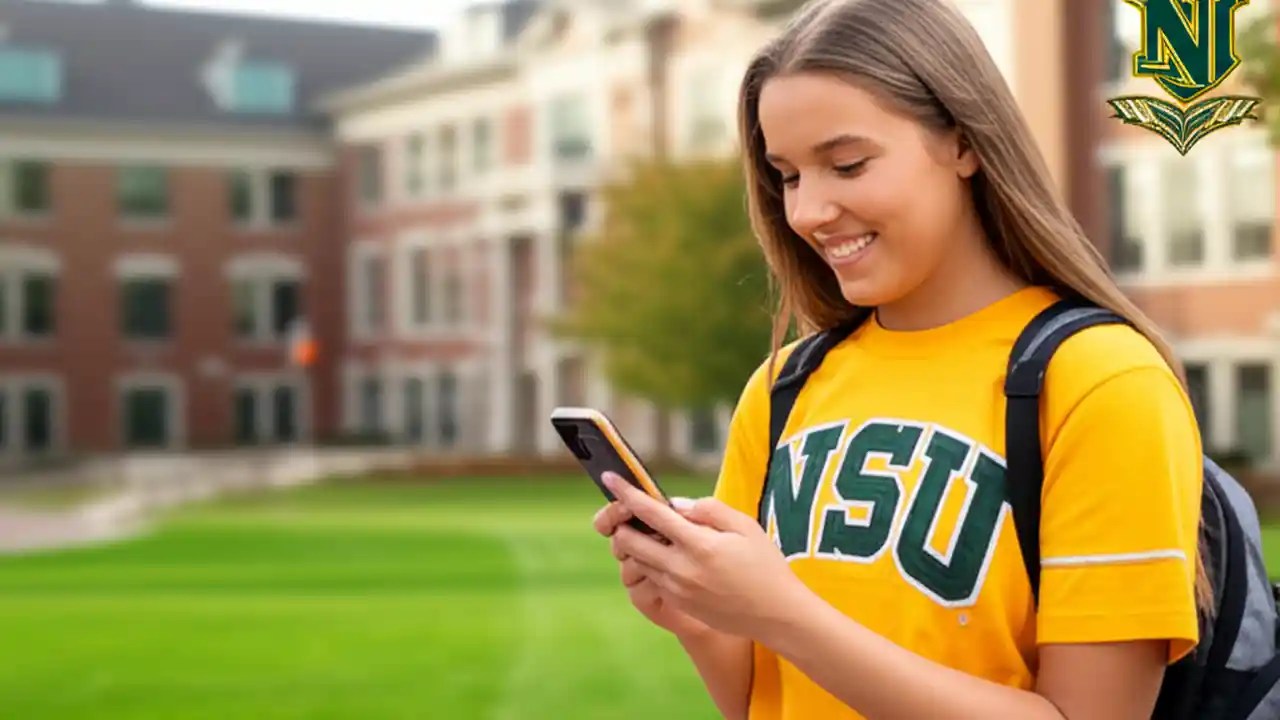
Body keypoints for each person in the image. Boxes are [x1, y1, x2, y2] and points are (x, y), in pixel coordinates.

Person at [591, 0, 1207, 718]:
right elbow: (765, 703)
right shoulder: (784, 389)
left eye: (847, 164)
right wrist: (701, 619)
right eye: (788, 176)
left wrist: (783, 613)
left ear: (963, 143)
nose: (808, 212)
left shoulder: (1102, 382)